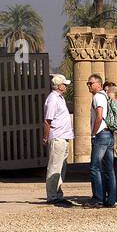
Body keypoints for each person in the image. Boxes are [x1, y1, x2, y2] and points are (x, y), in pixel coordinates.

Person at [42, 73, 74, 206]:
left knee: (61, 168)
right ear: (59, 86)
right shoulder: (53, 99)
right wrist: (46, 136)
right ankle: (52, 196)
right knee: (54, 167)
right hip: (57, 136)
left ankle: (58, 193)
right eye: (64, 84)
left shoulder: (59, 98)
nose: (66, 86)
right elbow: (47, 120)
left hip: (64, 136)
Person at [87, 73, 115, 208]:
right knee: (109, 168)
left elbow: (99, 116)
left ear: (98, 84)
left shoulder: (98, 97)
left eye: (90, 83)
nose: (89, 86)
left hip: (101, 135)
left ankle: (98, 198)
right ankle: (111, 199)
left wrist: (93, 134)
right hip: (109, 134)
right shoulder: (105, 95)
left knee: (95, 167)